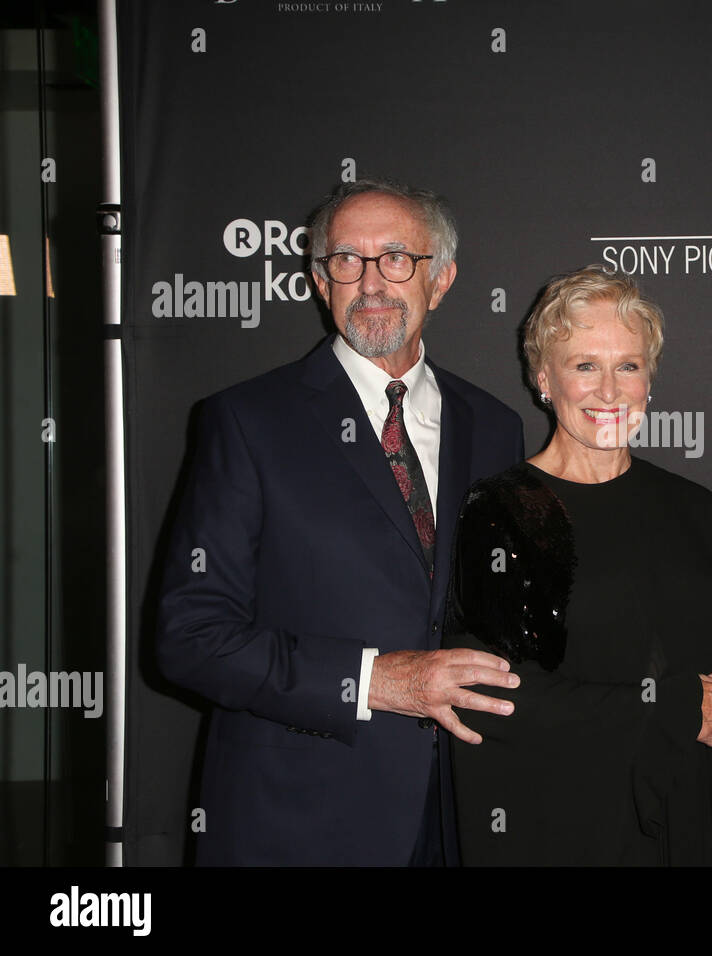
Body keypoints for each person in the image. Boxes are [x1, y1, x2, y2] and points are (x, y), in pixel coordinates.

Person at [156, 178, 524, 865]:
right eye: (346, 261)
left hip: (461, 817)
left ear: (440, 280)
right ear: (321, 282)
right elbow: (191, 636)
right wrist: (373, 680)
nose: (371, 281)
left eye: (396, 258)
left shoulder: (495, 427)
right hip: (300, 822)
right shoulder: (246, 421)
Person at [444, 266, 712, 865]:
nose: (610, 391)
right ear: (543, 379)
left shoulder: (696, 508)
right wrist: (671, 710)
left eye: (627, 365)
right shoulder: (502, 510)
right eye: (584, 366)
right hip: (566, 824)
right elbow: (494, 694)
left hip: (686, 816)